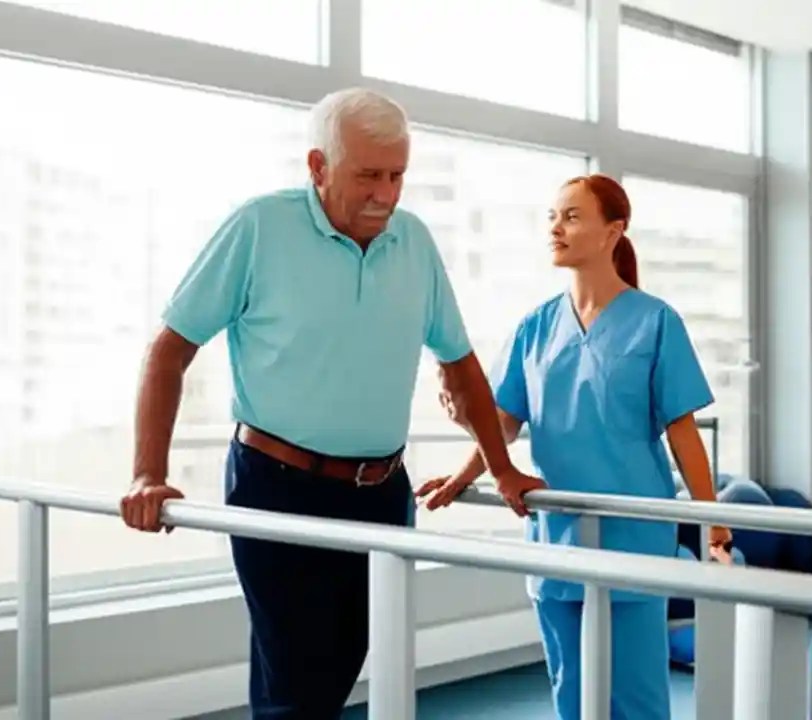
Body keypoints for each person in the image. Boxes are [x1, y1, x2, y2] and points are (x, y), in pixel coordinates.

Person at [119, 87, 544, 719]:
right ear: (318, 167)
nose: (385, 194)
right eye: (367, 175)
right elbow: (169, 350)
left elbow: (459, 365)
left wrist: (501, 468)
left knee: (342, 664)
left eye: (397, 175)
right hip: (278, 484)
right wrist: (149, 473)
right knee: (296, 680)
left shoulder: (415, 242)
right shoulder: (261, 227)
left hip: (380, 494)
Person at [417, 173, 733, 720]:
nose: (555, 228)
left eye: (571, 216)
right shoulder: (536, 326)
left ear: (614, 231)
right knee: (572, 694)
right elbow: (505, 425)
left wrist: (712, 521)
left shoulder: (655, 321)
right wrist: (464, 472)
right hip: (556, 536)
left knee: (636, 700)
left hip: (633, 533)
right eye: (552, 216)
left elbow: (682, 432)